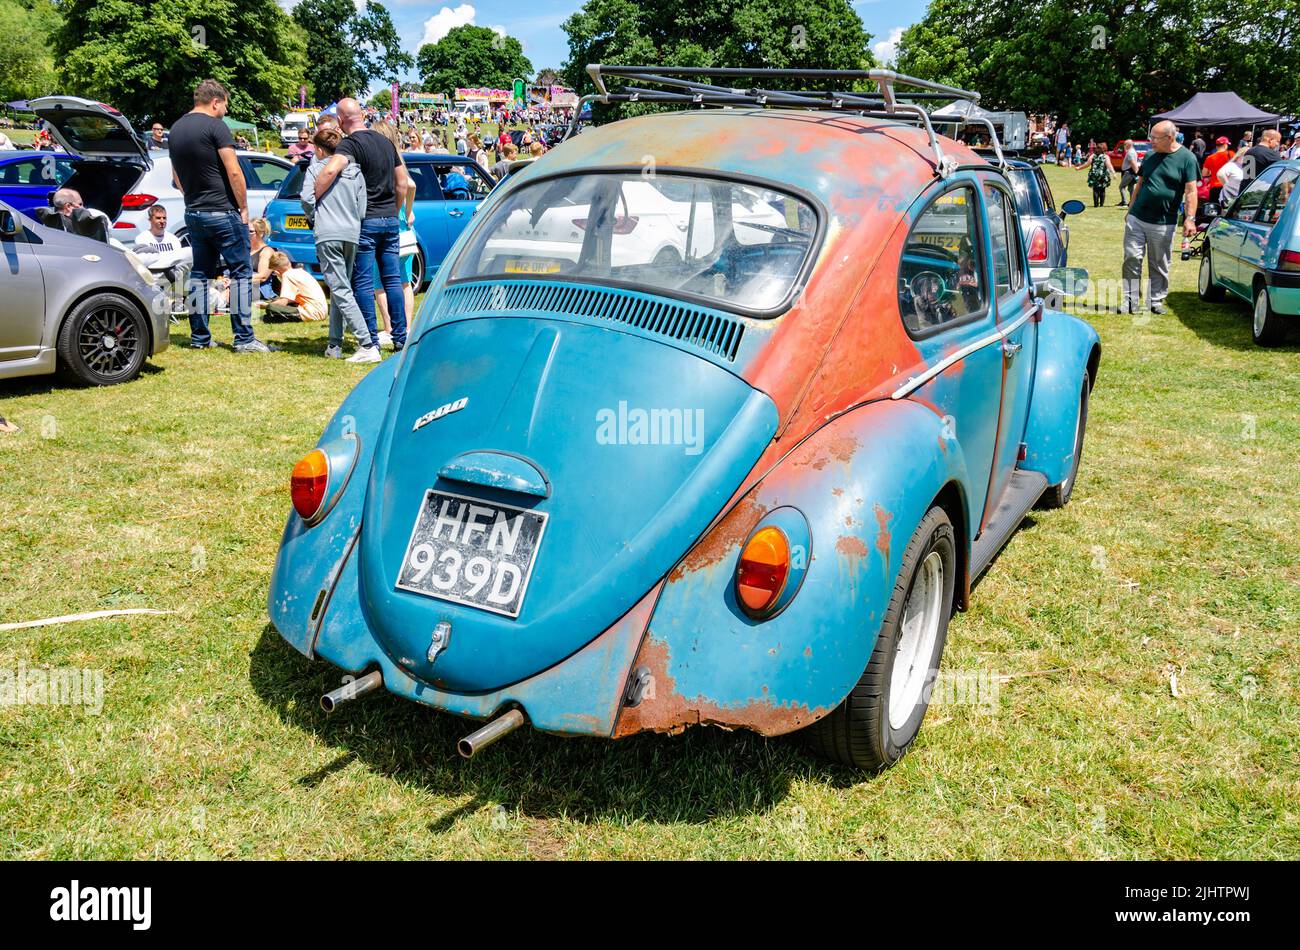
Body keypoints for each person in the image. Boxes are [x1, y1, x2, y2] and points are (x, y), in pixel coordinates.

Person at [168, 78, 271, 352]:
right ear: (215, 102)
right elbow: (234, 170)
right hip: (223, 211)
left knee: (200, 274)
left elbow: (175, 177)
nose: (225, 112)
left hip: (194, 212)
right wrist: (244, 208)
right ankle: (244, 339)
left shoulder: (175, 129)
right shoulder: (216, 126)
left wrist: (192, 196)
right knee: (240, 271)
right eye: (224, 106)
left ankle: (199, 338)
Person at [312, 98, 415, 350]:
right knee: (393, 280)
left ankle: (370, 340)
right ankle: (400, 338)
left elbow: (328, 171)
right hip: (390, 220)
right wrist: (394, 208)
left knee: (364, 282)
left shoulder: (350, 144)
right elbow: (402, 182)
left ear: (340, 120)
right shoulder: (385, 142)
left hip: (366, 221)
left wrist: (316, 196)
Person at [302, 126, 377, 362]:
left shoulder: (315, 169)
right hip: (351, 233)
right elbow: (362, 208)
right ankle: (334, 344)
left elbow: (306, 198)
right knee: (339, 288)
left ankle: (366, 343)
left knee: (341, 289)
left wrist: (315, 217)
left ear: (320, 150)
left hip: (328, 233)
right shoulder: (356, 172)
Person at [1122, 120, 1199, 315]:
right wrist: (1130, 210)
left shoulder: (1187, 158)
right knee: (1131, 258)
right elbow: (1140, 184)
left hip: (1164, 221)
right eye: (1151, 137)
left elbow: (1191, 192)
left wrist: (1190, 218)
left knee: (1159, 263)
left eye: (1155, 138)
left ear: (1170, 137)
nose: (1151, 142)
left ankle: (1155, 300)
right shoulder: (1149, 155)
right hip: (1138, 217)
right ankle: (1130, 300)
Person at [258, 252, 327, 322]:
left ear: (276, 271)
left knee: (271, 308)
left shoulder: (287, 275)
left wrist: (265, 305)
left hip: (312, 313)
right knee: (278, 307)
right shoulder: (300, 271)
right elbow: (291, 299)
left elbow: (283, 302)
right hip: (321, 311)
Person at [248, 217, 277, 299]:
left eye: (250, 232)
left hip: (259, 289)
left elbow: (262, 277)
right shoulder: (245, 249)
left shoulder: (267, 252)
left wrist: (238, 281)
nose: (246, 234)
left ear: (261, 234)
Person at [1087, 142, 1112, 207]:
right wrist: (1113, 172)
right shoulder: (1106, 156)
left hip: (1094, 175)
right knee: (1102, 190)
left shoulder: (1093, 156)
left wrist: (1079, 167)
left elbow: (1087, 164)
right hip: (1103, 175)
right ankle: (1101, 205)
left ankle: (1096, 204)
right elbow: (1109, 165)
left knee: (1095, 190)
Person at [1118, 139, 1140, 206]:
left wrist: (1137, 173)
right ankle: (1132, 202)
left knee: (1121, 187)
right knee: (1131, 188)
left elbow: (1132, 163)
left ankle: (1124, 201)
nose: (1124, 146)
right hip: (1132, 172)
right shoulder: (1133, 151)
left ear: (1129, 145)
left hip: (1129, 172)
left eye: (1125, 144)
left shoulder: (1130, 152)